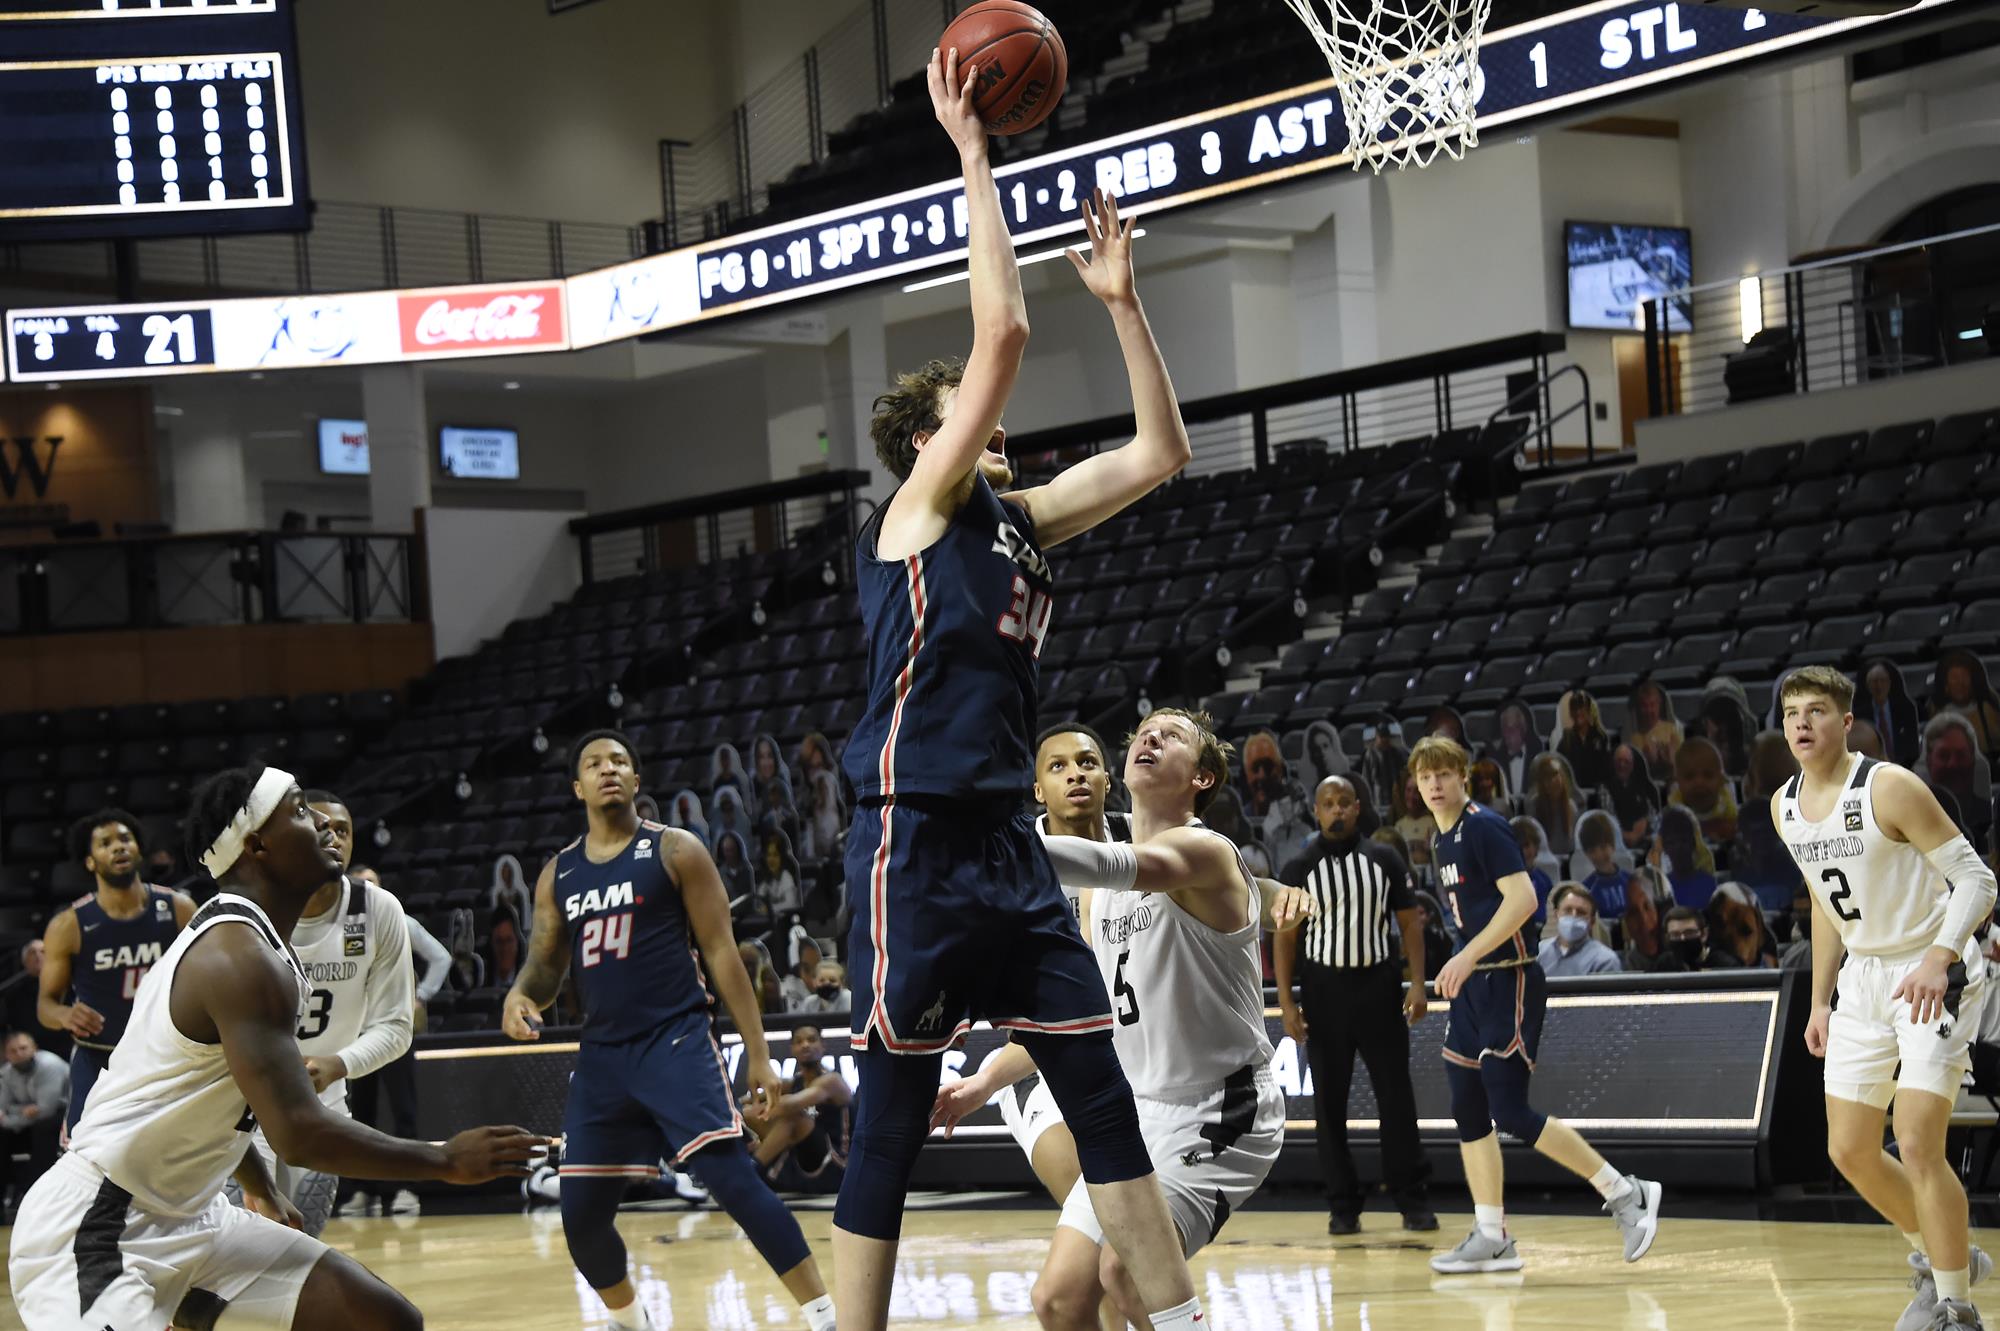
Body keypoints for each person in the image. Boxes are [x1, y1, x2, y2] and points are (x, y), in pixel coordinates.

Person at [833, 47, 1201, 1331]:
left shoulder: (1026, 517)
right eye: (963, 408)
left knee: (1103, 1103)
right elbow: (1000, 328)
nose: (992, 415)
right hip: (911, 835)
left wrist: (1120, 300)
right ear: (926, 439)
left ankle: (1187, 1319)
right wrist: (973, 154)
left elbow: (1162, 449)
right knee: (887, 1119)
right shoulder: (918, 508)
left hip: (1005, 841)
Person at [8, 765, 543, 1331]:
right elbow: (298, 1132)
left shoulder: (255, 940)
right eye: (297, 810)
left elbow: (211, 1092)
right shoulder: (238, 956)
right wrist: (445, 1159)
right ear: (256, 844)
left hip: (195, 1217)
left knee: (384, 1321)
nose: (321, 823)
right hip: (99, 1226)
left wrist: (258, 1186)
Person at [932, 709, 1310, 1331]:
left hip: (1220, 1109)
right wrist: (983, 1083)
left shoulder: (1204, 850)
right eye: (1145, 732)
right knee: (1058, 1298)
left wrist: (973, 841)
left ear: (1202, 780)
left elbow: (1117, 866)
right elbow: (1092, 1009)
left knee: (1126, 1274)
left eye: (1174, 735)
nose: (1152, 737)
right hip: (1139, 1108)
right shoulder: (1099, 893)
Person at [501, 729, 837, 1331]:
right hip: (603, 1056)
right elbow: (546, 966)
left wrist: (759, 1054)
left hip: (676, 1040)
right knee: (580, 1215)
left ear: (636, 781)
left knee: (734, 1180)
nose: (609, 770)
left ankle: (827, 1318)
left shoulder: (675, 850)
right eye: (595, 763)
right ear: (577, 786)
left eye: (621, 762)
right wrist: (521, 993)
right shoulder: (558, 874)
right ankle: (635, 1323)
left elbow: (723, 953)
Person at [1776, 666, 2000, 1331]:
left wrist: (1940, 955)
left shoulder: (1889, 786)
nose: (1802, 724)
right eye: (1791, 713)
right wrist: (1820, 1000)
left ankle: (1957, 1306)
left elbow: (1976, 880)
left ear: (1847, 723)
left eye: (1816, 711)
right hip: (1865, 977)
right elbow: (1823, 901)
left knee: (1917, 1140)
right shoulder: (1784, 803)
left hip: (1934, 965)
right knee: (1848, 1149)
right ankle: (1943, 1253)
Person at [1411, 736, 1662, 1275]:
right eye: (1425, 776)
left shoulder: (1483, 826)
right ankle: (1491, 1234)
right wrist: (1460, 962)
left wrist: (1468, 956)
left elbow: (1524, 902)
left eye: (1444, 774)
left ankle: (1626, 1193)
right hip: (1475, 987)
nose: (1434, 784)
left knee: (1511, 1110)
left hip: (1510, 979)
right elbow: (1470, 916)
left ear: (1464, 777)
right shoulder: (1440, 838)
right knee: (1467, 1107)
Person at [221, 789, 415, 1238]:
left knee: (302, 1246)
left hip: (320, 1105)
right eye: (318, 825)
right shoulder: (247, 910)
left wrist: (337, 1064)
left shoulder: (377, 909)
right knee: (230, 1252)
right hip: (240, 1106)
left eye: (343, 830)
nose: (333, 837)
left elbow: (396, 1027)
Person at [1275, 775, 1436, 1234]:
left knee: (1396, 1098)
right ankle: (1343, 1205)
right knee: (1329, 1103)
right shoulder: (1299, 867)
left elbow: (1410, 926)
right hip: (1324, 992)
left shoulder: (1384, 859)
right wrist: (1287, 1003)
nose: (1338, 810)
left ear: (1358, 806)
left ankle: (1411, 1198)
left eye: (1345, 802)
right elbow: (1285, 941)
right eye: (1328, 804)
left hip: (1378, 986)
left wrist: (1418, 984)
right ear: (1317, 811)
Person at [40, 808, 196, 1132]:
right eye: (105, 843)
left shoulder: (178, 908)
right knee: (84, 1162)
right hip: (100, 1057)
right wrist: (65, 1015)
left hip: (166, 1054)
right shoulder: (68, 925)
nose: (118, 847)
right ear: (90, 861)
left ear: (139, 849)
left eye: (125, 839)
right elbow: (46, 1005)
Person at [335, 862, 446, 1221]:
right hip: (357, 1033)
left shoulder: (397, 919)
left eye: (375, 884)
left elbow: (441, 957)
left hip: (394, 1030)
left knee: (404, 1112)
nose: (370, 890)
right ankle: (359, 1191)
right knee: (359, 1118)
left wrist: (421, 995)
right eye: (362, 884)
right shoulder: (339, 926)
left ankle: (407, 1187)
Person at [749, 1024, 850, 1195]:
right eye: (799, 1041)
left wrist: (753, 1112)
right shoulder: (792, 1082)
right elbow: (748, 1101)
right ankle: (731, 1166)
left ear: (822, 1045)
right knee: (743, 1116)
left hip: (836, 1165)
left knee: (793, 1117)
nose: (805, 1045)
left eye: (811, 1040)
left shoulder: (833, 1081)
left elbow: (791, 1105)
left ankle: (747, 1174)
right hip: (800, 1161)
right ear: (792, 1049)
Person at [1032, 721, 1133, 844]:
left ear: (1107, 782)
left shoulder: (1141, 834)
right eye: (1057, 766)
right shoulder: (1017, 854)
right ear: (1039, 791)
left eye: (1087, 762)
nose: (1076, 774)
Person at [1, 1030, 66, 1210]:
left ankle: (37, 1194)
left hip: (64, 1116)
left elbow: (45, 1110)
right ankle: (7, 1195)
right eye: (13, 1051)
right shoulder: (5, 1073)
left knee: (43, 1127)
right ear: (6, 1055)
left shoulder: (49, 1066)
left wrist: (10, 1117)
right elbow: (3, 1107)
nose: (19, 1053)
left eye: (23, 1048)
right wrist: (22, 1112)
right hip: (27, 1121)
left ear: (34, 1048)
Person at [1918, 713, 1994, 848]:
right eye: (1944, 755)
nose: (1953, 764)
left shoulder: (1991, 818)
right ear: (1929, 762)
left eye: (1961, 755)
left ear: (1973, 761)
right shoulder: (1914, 820)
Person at [1242, 729, 1314, 859]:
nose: (1262, 775)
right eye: (1255, 768)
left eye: (1268, 766)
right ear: (1246, 774)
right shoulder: (1242, 820)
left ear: (1281, 770)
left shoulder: (1299, 812)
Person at [1, 941, 65, 1065]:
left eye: (43, 951)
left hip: (67, 1049)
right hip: (30, 1057)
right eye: (32, 952)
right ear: (24, 962)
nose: (38, 955)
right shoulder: (12, 995)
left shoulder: (69, 985)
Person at [1538, 884, 1622, 977]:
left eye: (1581, 912)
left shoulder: (1606, 960)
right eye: (1568, 910)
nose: (1573, 916)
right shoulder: (1539, 952)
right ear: (1556, 915)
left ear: (1592, 922)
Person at [1931, 648, 2000, 760]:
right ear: (1945, 684)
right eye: (1954, 678)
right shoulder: (1936, 713)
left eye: (1964, 677)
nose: (1960, 683)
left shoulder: (1989, 710)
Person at [1668, 736, 1739, 845]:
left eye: (1708, 775)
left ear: (1720, 780)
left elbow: (1735, 825)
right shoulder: (1676, 803)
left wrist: (1730, 829)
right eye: (1689, 777)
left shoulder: (1725, 801)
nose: (1699, 782)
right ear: (1678, 782)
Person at [1653, 805, 1719, 910]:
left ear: (1693, 843)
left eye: (1683, 841)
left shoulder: (1708, 884)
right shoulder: (1663, 890)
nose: (1678, 848)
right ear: (1665, 847)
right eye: (1672, 842)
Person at [1574, 811, 1633, 922]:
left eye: (1603, 847)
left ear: (1613, 845)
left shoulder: (1630, 881)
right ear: (1586, 854)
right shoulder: (1587, 889)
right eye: (1592, 851)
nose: (1599, 855)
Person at [1603, 743, 1662, 847]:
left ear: (1633, 764)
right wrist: (1627, 836)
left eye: (1626, 762)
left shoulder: (1645, 788)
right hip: (1616, 842)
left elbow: (1655, 818)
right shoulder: (1605, 788)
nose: (1622, 765)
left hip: (1644, 840)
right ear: (1613, 763)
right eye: (1619, 761)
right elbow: (1608, 819)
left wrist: (1645, 824)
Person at [1556, 689, 1614, 792]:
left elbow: (1607, 770)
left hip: (1597, 791)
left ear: (1588, 710)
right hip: (1575, 791)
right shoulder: (1567, 738)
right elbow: (1561, 766)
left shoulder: (1600, 736)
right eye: (1575, 708)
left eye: (1581, 707)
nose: (1578, 712)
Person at [1525, 754, 1580, 858]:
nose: (1554, 781)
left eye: (1556, 775)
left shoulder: (1571, 806)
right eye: (1548, 778)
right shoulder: (1534, 806)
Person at [1509, 815, 1558, 928]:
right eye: (1522, 847)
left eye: (1530, 845)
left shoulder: (1544, 880)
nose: (1527, 851)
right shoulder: (1507, 881)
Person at [1626, 681, 1684, 776]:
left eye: (1652, 705)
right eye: (1645, 706)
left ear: (1659, 705)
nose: (1649, 710)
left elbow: (1680, 762)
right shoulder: (1635, 738)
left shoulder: (1672, 730)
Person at [1361, 718, 1412, 819]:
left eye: (1386, 738)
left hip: (1394, 794)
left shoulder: (1396, 753)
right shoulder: (1370, 754)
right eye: (1381, 737)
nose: (1384, 741)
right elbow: (1366, 778)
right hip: (1378, 796)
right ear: (1377, 737)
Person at [1495, 700, 1543, 797]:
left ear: (1523, 729)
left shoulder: (1537, 755)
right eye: (1505, 729)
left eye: (1513, 728)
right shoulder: (1497, 760)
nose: (1508, 734)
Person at [780, 929, 825, 1012]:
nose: (813, 977)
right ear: (795, 972)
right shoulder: (783, 998)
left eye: (817, 969)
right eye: (807, 970)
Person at [489, 853, 530, 940]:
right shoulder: (499, 895)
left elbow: (523, 916)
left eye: (508, 872)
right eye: (504, 872)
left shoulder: (518, 894)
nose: (506, 875)